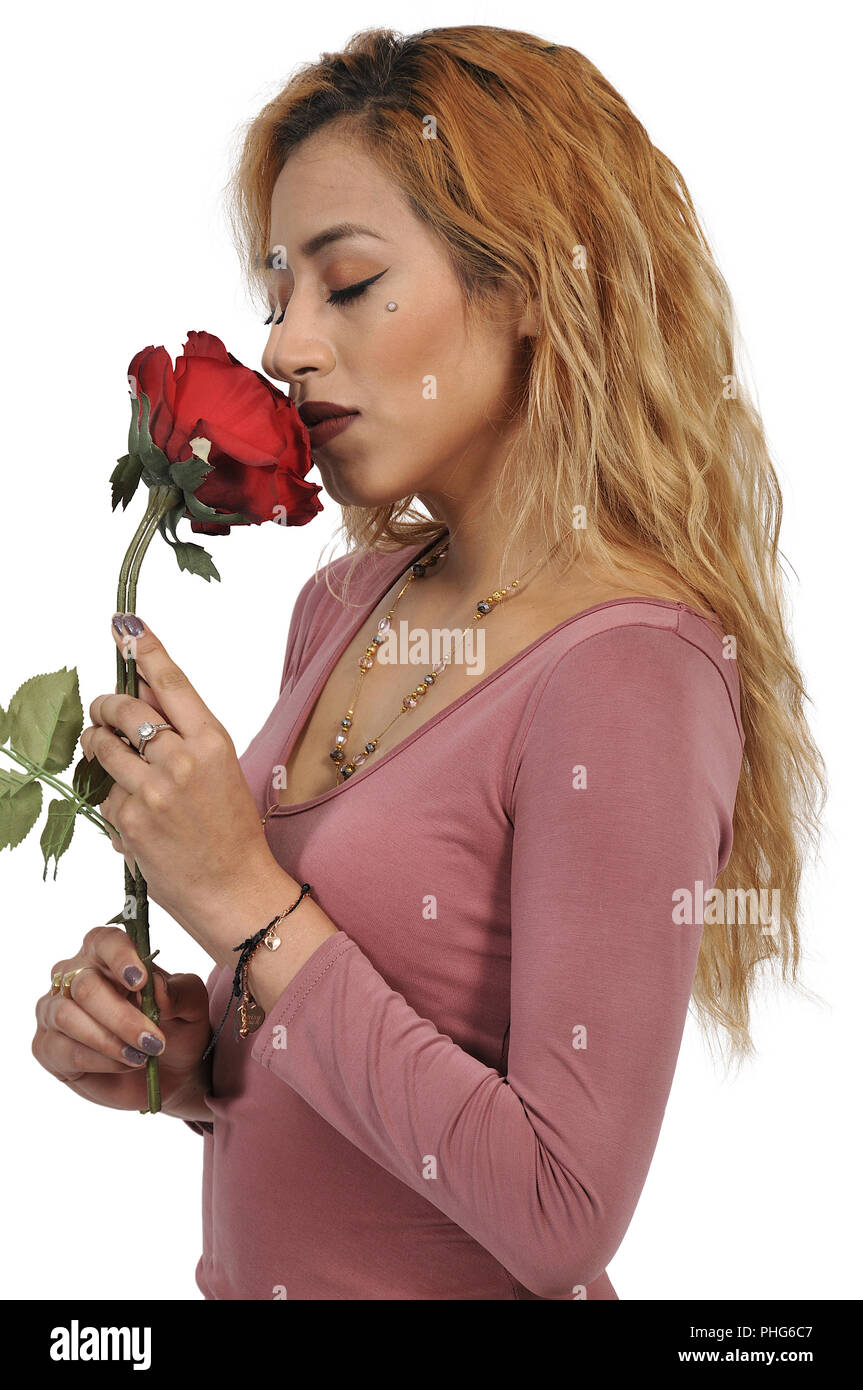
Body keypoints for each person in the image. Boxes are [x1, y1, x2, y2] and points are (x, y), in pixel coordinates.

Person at [32, 25, 825, 1300]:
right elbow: (359, 1037)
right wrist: (194, 1063)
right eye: (276, 293)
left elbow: (560, 1210)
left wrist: (242, 902)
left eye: (346, 286)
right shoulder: (345, 600)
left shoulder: (627, 673)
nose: (284, 348)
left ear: (526, 286)